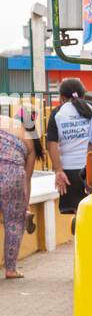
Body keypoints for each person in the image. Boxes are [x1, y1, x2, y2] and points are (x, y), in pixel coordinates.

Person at [46, 78, 92, 229]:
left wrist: (58, 170)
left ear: (61, 97)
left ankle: (80, 241)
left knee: (77, 212)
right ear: (83, 95)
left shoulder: (57, 113)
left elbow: (51, 144)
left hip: (69, 171)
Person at [0, 110, 36, 279]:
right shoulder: (24, 131)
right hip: (13, 176)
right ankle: (10, 269)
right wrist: (25, 206)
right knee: (14, 222)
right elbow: (27, 178)